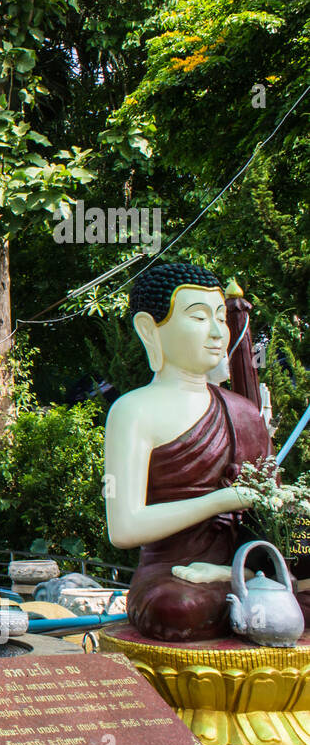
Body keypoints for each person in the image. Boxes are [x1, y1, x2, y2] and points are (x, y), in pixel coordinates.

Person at [105, 263, 270, 642]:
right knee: (176, 609)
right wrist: (221, 500)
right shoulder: (133, 411)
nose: (217, 332)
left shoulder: (243, 412)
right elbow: (124, 527)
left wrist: (242, 571)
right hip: (172, 575)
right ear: (150, 329)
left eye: (219, 318)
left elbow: (270, 510)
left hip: (239, 570)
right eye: (198, 317)